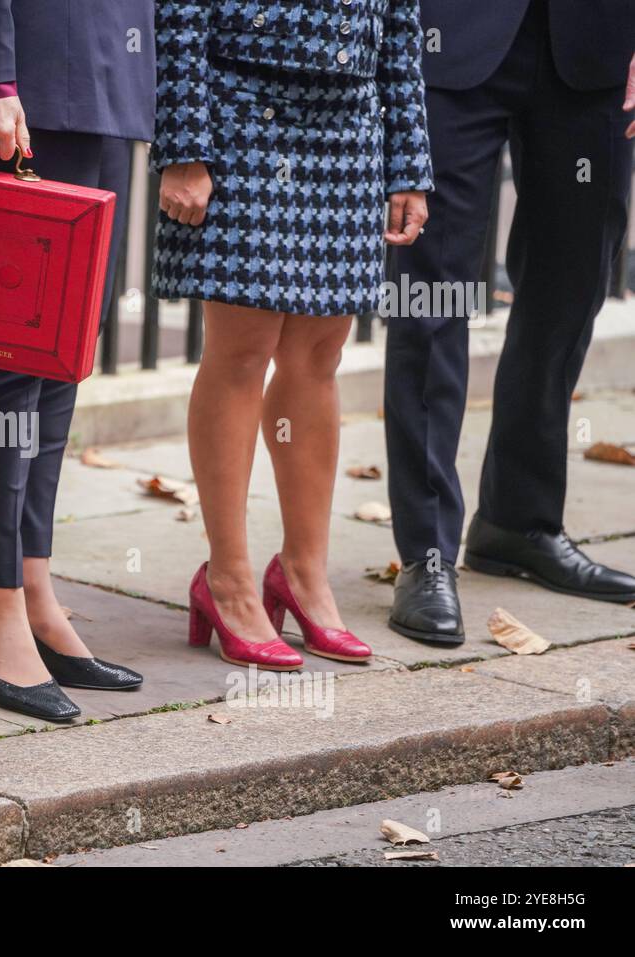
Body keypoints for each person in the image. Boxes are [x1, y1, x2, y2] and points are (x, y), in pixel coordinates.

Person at [153, 1, 431, 669]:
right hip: (241, 107)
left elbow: (400, 22)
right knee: (242, 352)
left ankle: (304, 571)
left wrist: (409, 164)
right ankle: (228, 578)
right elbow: (180, 10)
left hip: (349, 120)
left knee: (318, 357)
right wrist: (186, 145)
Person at [0, 0, 155, 722]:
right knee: (6, 354)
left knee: (60, 354)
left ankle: (29, 588)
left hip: (104, 69)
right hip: (25, 67)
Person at [385, 0, 635, 646]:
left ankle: (519, 524)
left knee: (571, 287)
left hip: (597, 45)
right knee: (434, 296)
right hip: (452, 36)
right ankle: (428, 551)